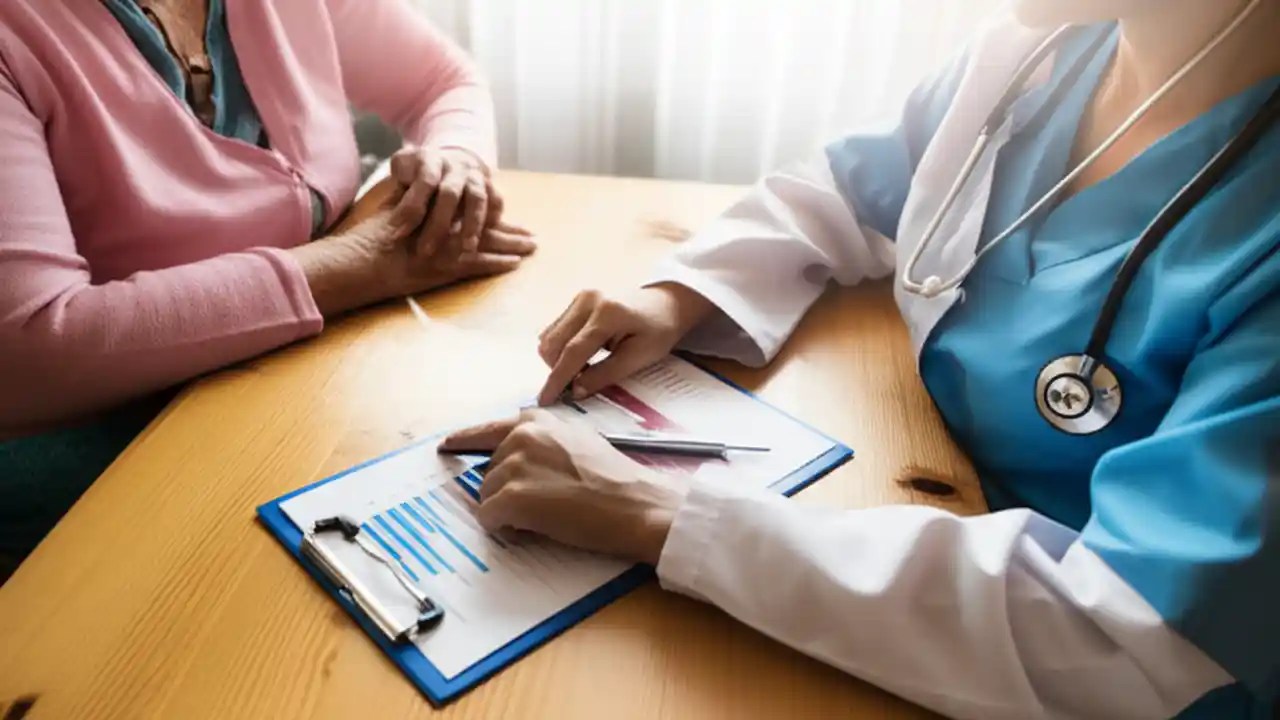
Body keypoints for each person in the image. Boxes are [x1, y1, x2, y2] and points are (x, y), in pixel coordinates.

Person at [441, 0, 1280, 717]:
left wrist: (660, 514)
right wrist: (683, 297)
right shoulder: (1041, 53)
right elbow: (843, 187)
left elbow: (1135, 640)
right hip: (904, 487)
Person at [0, 0, 534, 578]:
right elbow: (31, 348)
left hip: (297, 374)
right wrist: (351, 264)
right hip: (99, 444)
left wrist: (455, 159)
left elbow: (442, 81)